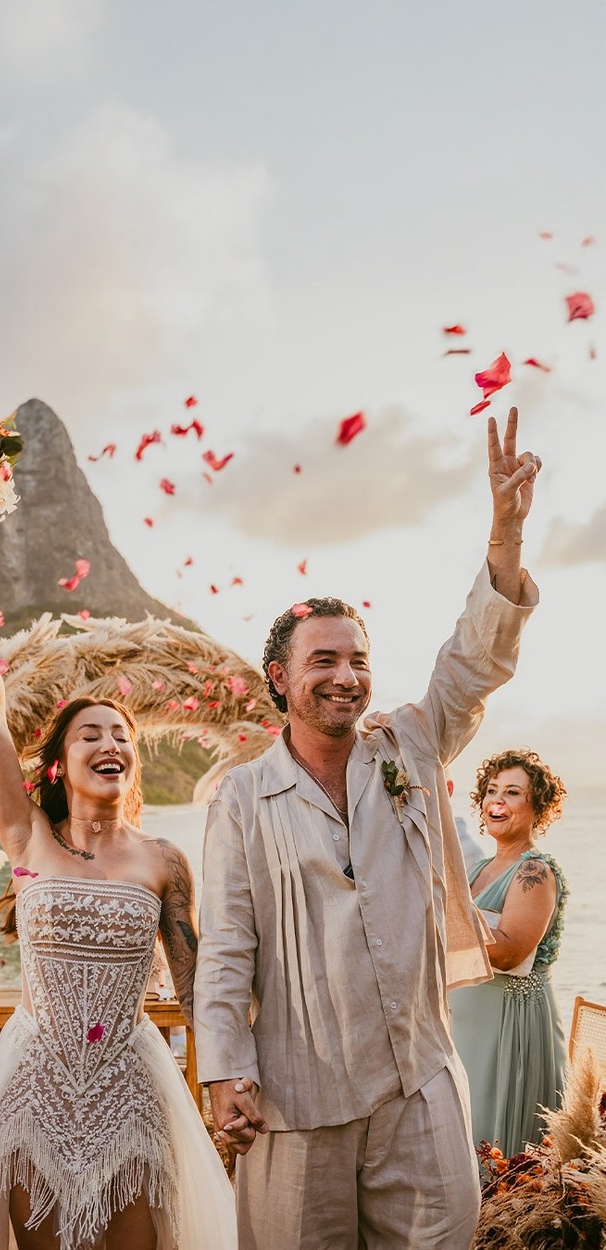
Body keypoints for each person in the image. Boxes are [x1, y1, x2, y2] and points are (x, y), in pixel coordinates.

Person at [194, 408, 541, 1250]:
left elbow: (474, 661)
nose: (347, 677)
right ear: (280, 679)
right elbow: (227, 945)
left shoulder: (408, 745)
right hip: (298, 1099)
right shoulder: (242, 798)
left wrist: (503, 538)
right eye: (324, 661)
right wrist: (223, 1068)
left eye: (358, 660)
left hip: (419, 1084)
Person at [0, 538, 236, 1250]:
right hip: (34, 1081)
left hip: (131, 1084)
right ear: (62, 763)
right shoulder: (27, 837)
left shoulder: (165, 862)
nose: (111, 744)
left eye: (122, 736)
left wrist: (227, 1077)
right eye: (90, 735)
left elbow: (193, 982)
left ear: (131, 764)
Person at [449, 749, 568, 1159]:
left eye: (513, 792)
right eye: (491, 790)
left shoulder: (536, 871)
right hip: (463, 1024)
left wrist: (445, 910)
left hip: (508, 1023)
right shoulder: (476, 869)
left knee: (498, 1145)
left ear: (537, 807)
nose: (496, 800)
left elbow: (508, 952)